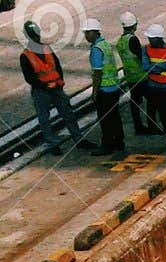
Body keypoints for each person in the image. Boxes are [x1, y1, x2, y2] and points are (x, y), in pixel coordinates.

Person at [18, 20, 84, 154]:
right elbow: (29, 78)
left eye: (37, 34)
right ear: (28, 37)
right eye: (33, 35)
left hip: (56, 88)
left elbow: (57, 66)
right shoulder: (25, 56)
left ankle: (78, 138)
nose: (36, 37)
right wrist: (46, 86)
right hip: (41, 91)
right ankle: (53, 144)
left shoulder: (47, 49)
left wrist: (59, 81)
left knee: (68, 113)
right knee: (44, 120)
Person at [84, 19, 126, 155]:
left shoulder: (97, 49)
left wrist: (94, 93)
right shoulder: (105, 45)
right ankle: (119, 142)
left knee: (105, 119)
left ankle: (107, 145)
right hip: (113, 87)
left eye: (88, 33)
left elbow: (97, 73)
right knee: (114, 116)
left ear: (95, 32)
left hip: (104, 89)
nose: (86, 36)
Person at [116, 12, 158, 135]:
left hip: (130, 77)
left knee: (135, 103)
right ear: (134, 25)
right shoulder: (132, 39)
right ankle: (152, 125)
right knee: (152, 100)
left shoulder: (120, 41)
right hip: (141, 77)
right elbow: (140, 56)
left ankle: (138, 127)